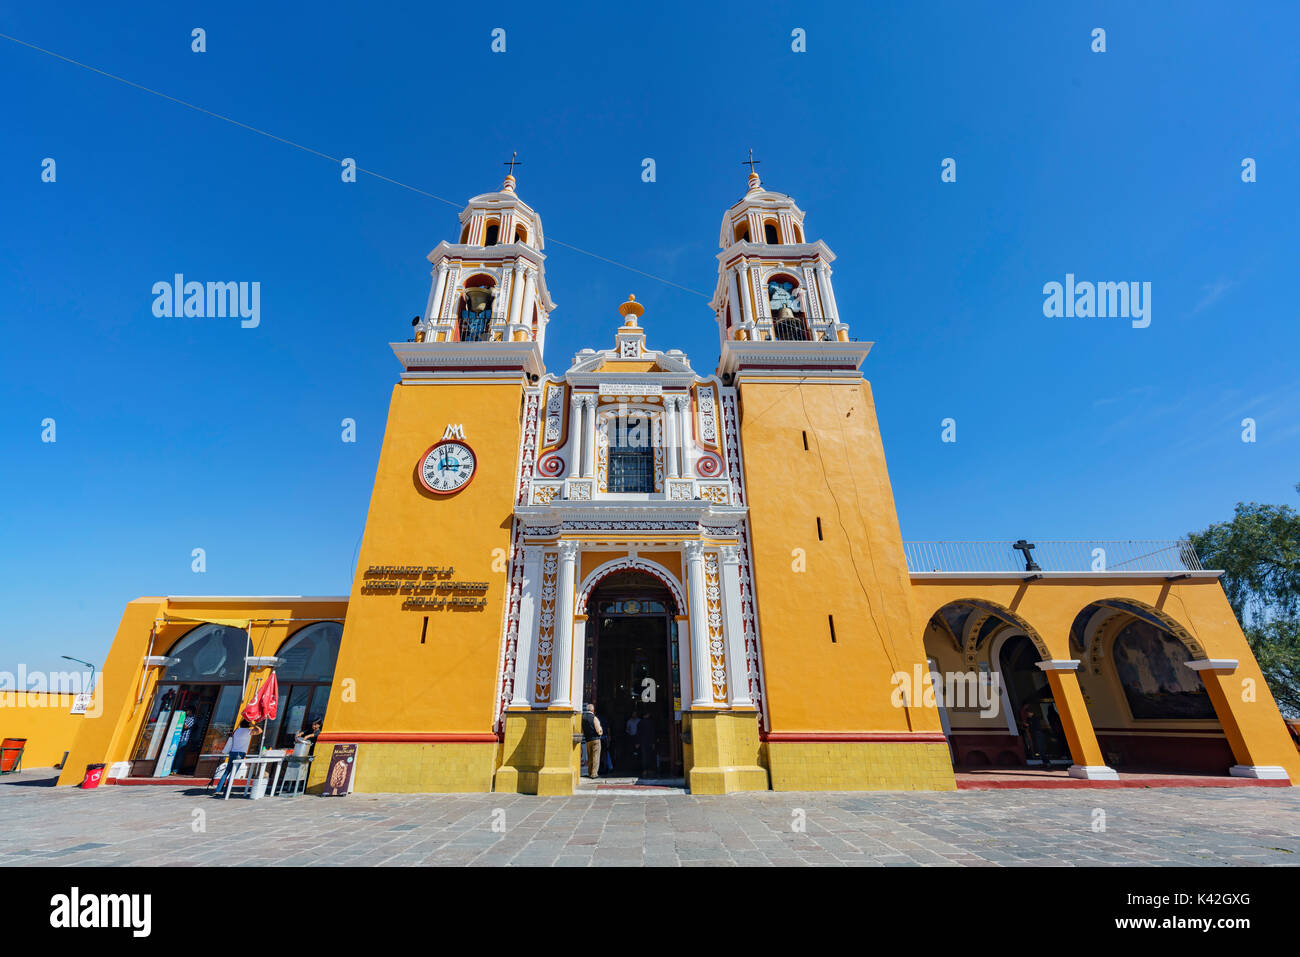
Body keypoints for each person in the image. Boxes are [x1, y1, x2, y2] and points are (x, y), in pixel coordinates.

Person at [213, 718, 261, 796]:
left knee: (227, 771)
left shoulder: (236, 730)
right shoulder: (248, 732)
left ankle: (218, 789)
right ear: (248, 724)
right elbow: (259, 730)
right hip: (240, 753)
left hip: (232, 752)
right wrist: (253, 725)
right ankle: (227, 791)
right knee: (233, 772)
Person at [581, 704, 603, 779]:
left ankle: (589, 772)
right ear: (593, 710)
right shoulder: (594, 718)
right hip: (595, 739)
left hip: (588, 740)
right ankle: (594, 774)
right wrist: (600, 733)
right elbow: (598, 729)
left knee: (589, 757)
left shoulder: (582, 718)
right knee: (595, 757)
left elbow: (582, 730)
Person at [637, 710, 657, 777]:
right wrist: (653, 742)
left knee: (644, 756)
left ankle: (644, 770)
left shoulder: (640, 723)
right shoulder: (651, 723)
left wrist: (638, 742)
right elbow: (653, 733)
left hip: (643, 742)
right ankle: (650, 770)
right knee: (650, 756)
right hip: (650, 741)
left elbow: (638, 734)